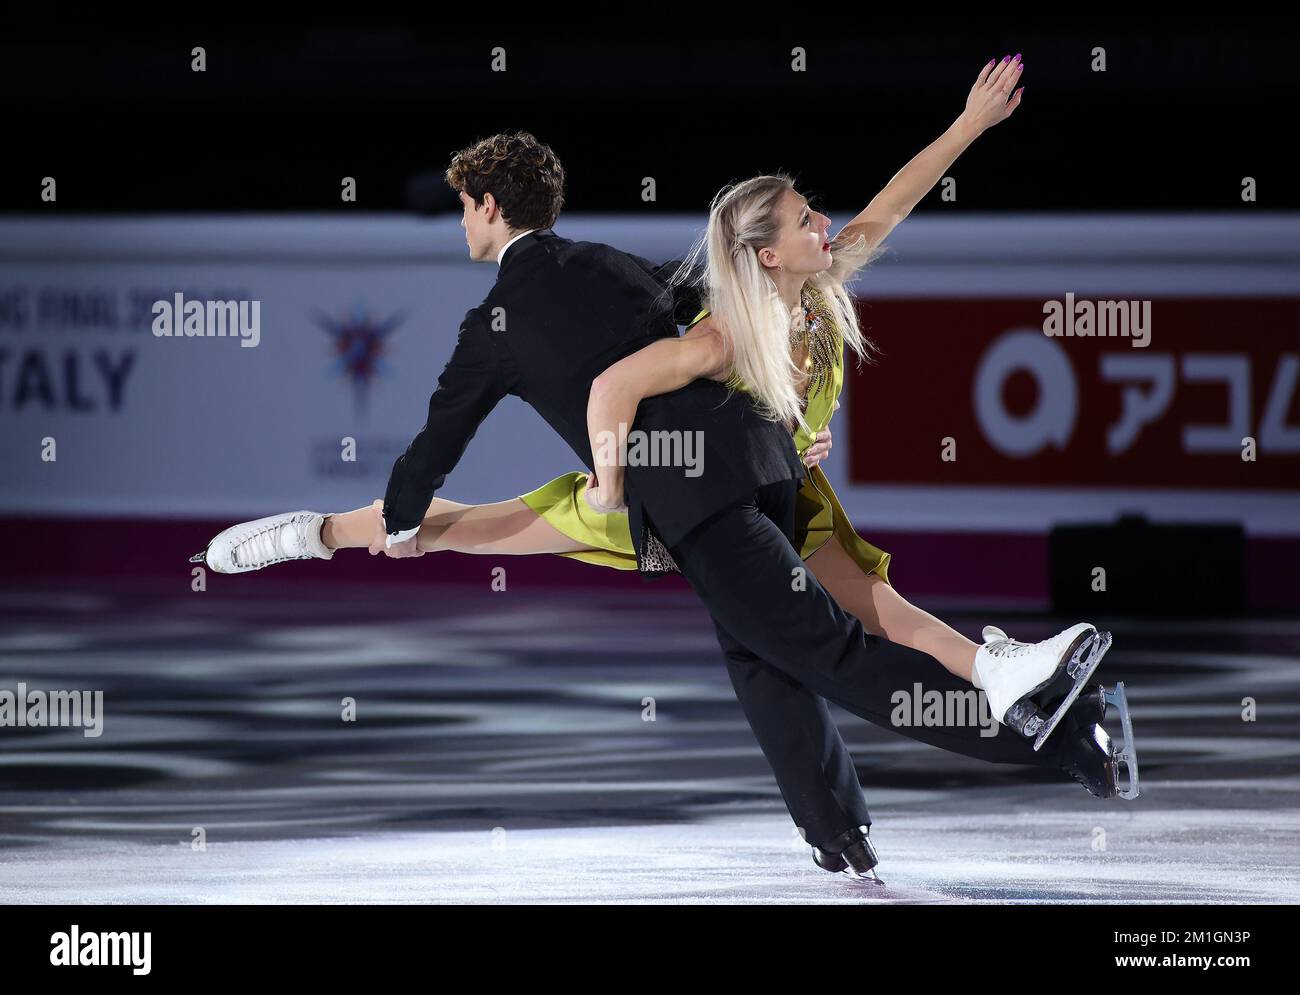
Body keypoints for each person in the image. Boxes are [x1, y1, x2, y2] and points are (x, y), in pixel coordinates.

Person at [194, 68, 1135, 882]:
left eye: (464, 206)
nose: (823, 223)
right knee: (760, 652)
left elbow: (449, 440)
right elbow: (717, 290)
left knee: (814, 646)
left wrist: (582, 484)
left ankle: (1045, 729)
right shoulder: (616, 267)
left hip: (681, 494)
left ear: (485, 207)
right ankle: (839, 828)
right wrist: (966, 127)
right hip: (733, 480)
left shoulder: (499, 324)